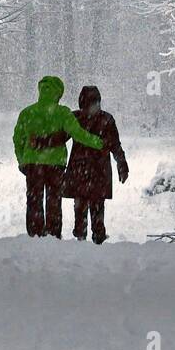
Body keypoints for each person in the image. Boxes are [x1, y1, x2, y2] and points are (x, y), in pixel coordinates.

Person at [13, 76, 103, 238]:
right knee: (54, 199)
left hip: (33, 163)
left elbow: (18, 139)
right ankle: (53, 234)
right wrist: (98, 142)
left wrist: (22, 160)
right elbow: (78, 134)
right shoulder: (63, 113)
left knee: (34, 200)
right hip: (55, 164)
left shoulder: (27, 113)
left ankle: (34, 233)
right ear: (59, 93)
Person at [60, 85, 127, 244]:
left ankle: (92, 237)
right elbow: (61, 137)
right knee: (86, 206)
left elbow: (115, 144)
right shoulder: (101, 119)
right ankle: (87, 237)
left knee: (90, 206)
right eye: (93, 102)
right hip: (92, 170)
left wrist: (122, 163)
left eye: (97, 102)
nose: (96, 106)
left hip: (86, 170)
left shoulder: (80, 118)